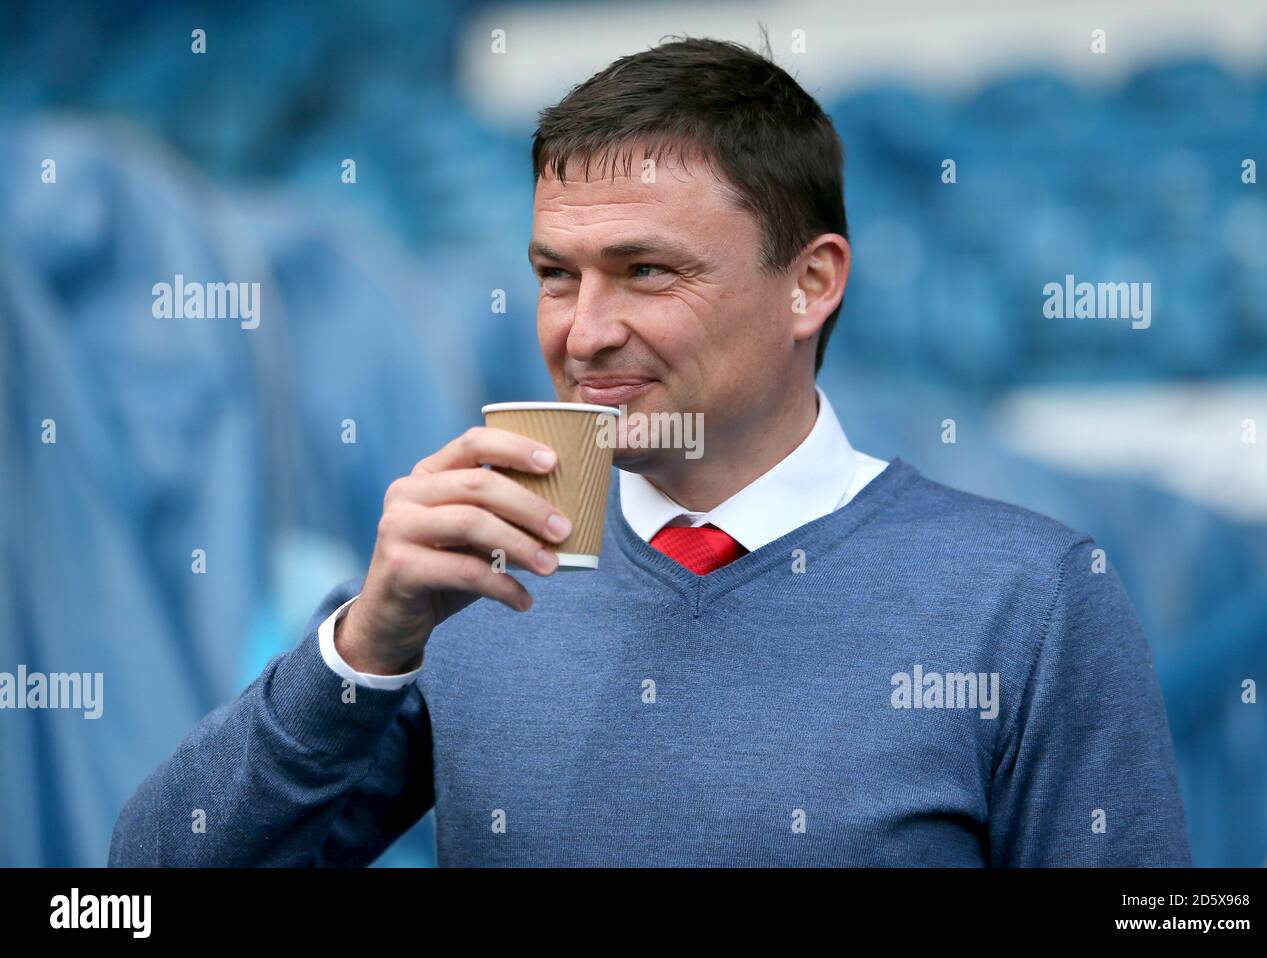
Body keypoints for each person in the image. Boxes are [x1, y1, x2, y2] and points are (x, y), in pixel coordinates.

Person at [109, 35, 1191, 867]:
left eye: (646, 272)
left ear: (811, 283)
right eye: (554, 274)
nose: (582, 332)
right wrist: (357, 649)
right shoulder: (467, 584)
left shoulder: (1029, 596)